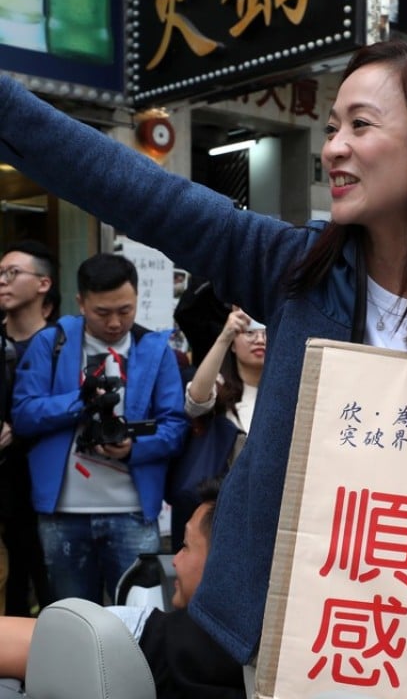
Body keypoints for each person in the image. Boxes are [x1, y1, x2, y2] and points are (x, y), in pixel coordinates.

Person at [0, 40, 407, 667]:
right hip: (258, 640)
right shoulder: (296, 268)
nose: (334, 147)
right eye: (333, 126)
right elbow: (137, 191)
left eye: (361, 125)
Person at [11, 253, 187, 604]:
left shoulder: (155, 350)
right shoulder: (52, 342)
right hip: (62, 512)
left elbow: (175, 426)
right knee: (73, 621)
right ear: (81, 303)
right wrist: (79, 402)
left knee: (142, 622)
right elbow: (24, 414)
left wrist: (134, 448)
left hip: (133, 511)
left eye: (125, 310)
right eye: (102, 312)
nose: (115, 323)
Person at [0, 477, 245, 699]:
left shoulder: (147, 641)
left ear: (221, 564)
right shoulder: (261, 653)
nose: (174, 560)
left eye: (185, 546)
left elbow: (17, 642)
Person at [169, 306, 266, 549]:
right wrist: (224, 336)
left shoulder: (286, 393)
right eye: (250, 333)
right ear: (234, 342)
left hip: (266, 508)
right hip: (219, 511)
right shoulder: (219, 386)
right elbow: (195, 401)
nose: (260, 340)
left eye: (266, 333)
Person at [0, 240, 58, 616]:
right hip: (3, 481)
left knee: (49, 578)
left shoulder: (62, 344)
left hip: (46, 480)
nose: (2, 281)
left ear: (43, 284)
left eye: (12, 273)